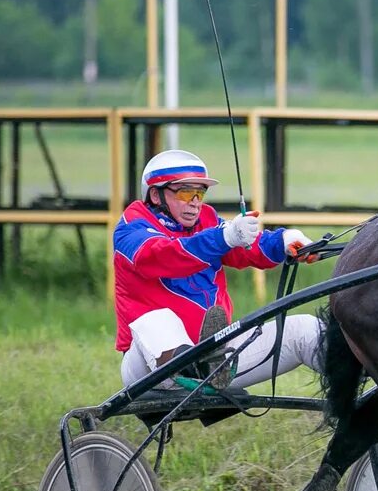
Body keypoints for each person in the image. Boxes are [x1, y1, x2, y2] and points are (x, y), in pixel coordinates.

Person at [114, 149, 321, 391]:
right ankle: (194, 364)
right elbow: (163, 256)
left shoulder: (208, 221)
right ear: (156, 195)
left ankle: (367, 382)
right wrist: (225, 236)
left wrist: (285, 240)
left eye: (200, 193)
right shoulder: (131, 227)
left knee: (307, 329)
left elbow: (247, 247)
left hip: (219, 357)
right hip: (149, 371)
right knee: (156, 320)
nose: (195, 202)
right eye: (186, 192)